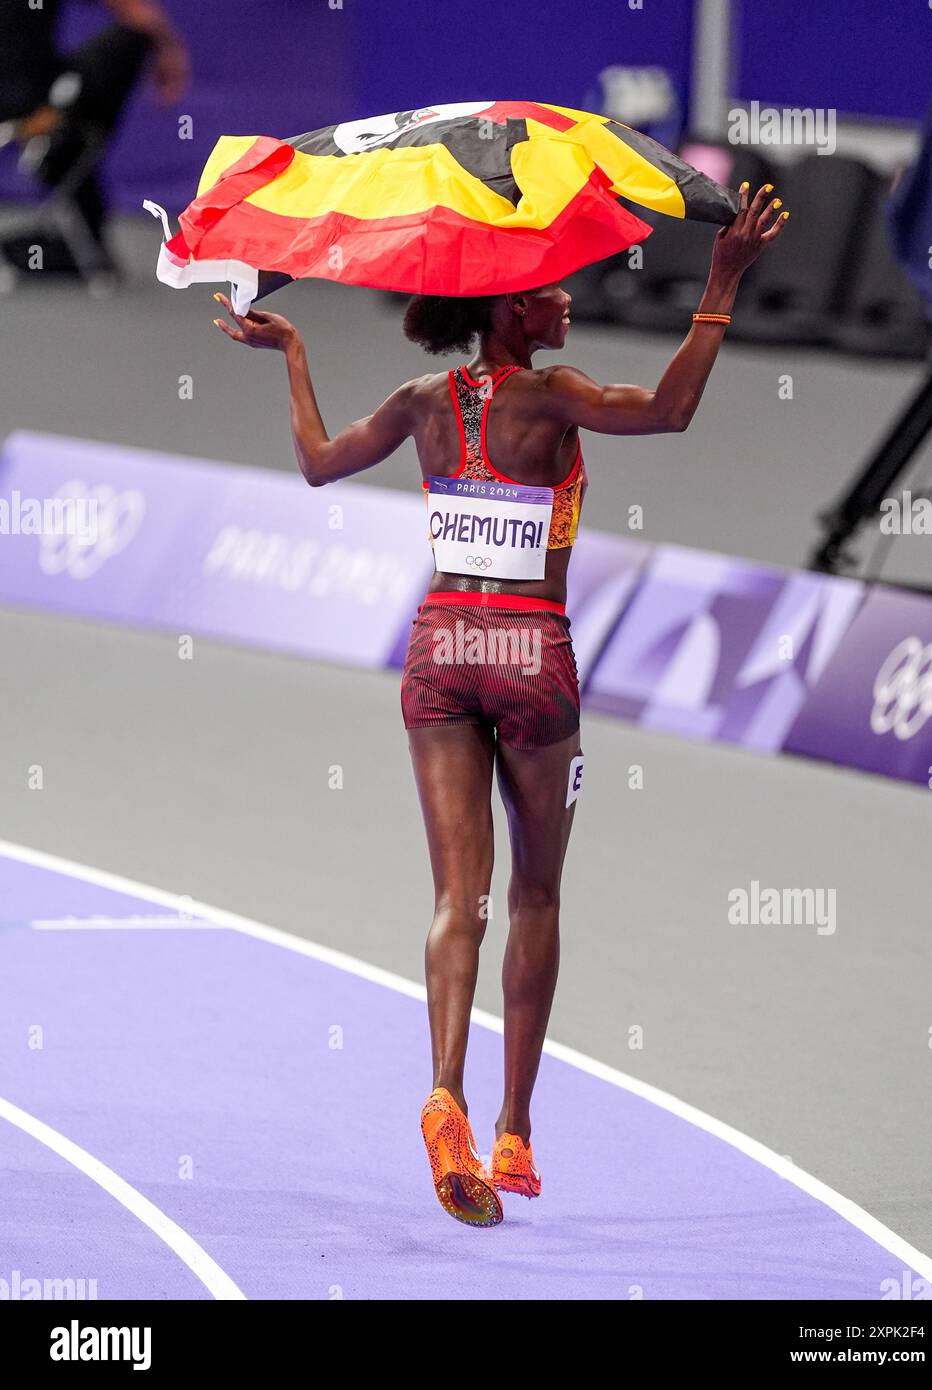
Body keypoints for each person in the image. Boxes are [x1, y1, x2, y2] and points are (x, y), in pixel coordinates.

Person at [213, 180, 789, 1227]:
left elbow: (315, 464)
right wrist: (721, 283)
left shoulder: (422, 404)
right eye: (551, 289)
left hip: (439, 650)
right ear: (512, 310)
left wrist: (294, 356)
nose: (568, 296)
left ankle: (446, 1095)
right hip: (530, 656)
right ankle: (516, 1129)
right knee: (536, 896)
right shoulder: (554, 393)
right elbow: (669, 410)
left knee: (454, 902)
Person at [0, 0, 188, 274]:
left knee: (128, 39)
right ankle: (60, 137)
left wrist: (166, 47)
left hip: (41, 95)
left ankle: (62, 139)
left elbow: (137, 13)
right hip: (25, 101)